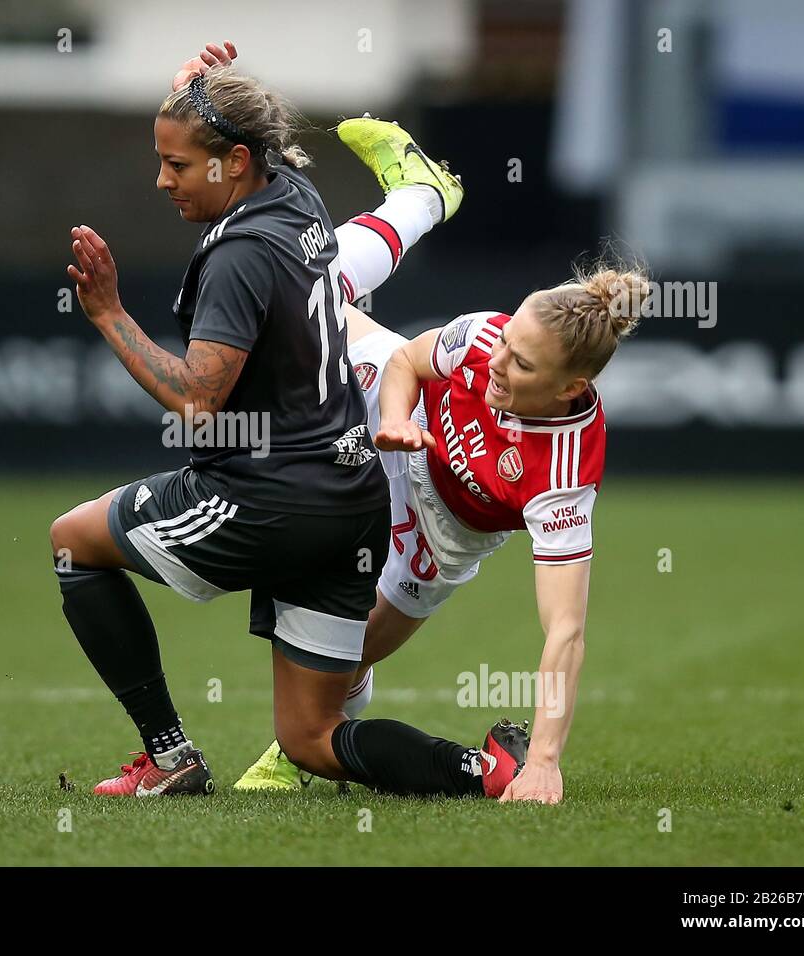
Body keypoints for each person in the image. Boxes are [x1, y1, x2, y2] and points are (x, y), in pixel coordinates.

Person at [51, 54, 516, 800]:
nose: (161, 181)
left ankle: (170, 758)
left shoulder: (238, 256)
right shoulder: (295, 196)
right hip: (351, 500)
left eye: (175, 165)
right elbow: (236, 138)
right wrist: (193, 89)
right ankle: (483, 770)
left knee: (74, 542)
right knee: (310, 737)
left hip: (263, 499)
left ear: (234, 162)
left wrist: (107, 313)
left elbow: (198, 399)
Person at [233, 115, 648, 802]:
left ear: (572, 387)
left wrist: (543, 759)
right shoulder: (487, 336)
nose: (497, 362)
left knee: (343, 656)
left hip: (443, 532)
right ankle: (422, 195)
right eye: (506, 340)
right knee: (296, 291)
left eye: (521, 363)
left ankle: (296, 749)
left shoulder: (563, 477)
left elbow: (566, 630)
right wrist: (394, 420)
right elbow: (406, 358)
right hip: (405, 425)